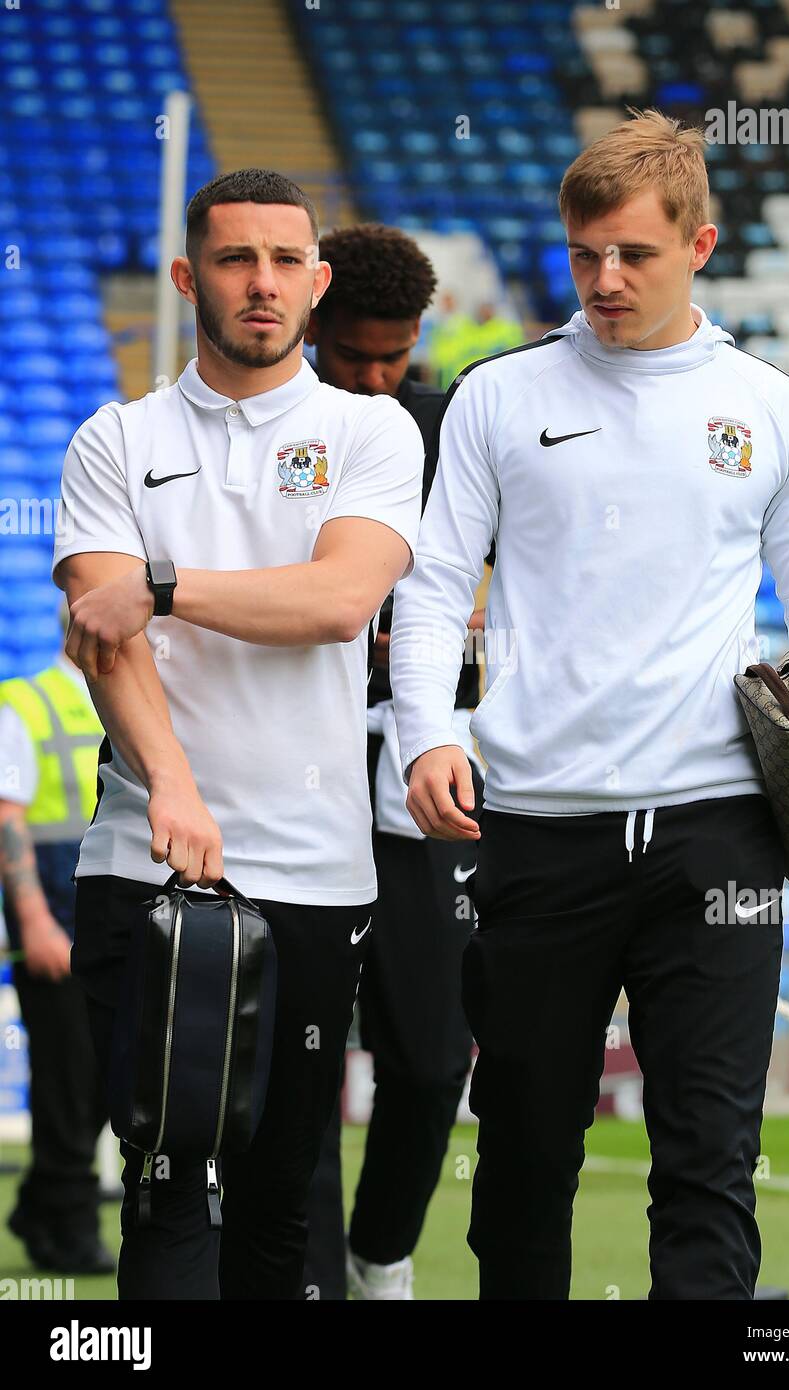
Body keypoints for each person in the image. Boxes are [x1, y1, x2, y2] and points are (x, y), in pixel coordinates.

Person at [389, 108, 789, 1301]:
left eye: (633, 253)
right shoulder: (495, 395)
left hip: (714, 829)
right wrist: (427, 732)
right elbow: (427, 592)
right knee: (524, 1161)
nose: (605, 278)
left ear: (702, 244)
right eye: (584, 254)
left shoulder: (772, 408)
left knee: (709, 1160)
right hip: (532, 829)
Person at [51, 168, 424, 1301]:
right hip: (148, 865)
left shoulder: (371, 431)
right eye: (232, 259)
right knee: (169, 1187)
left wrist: (162, 585)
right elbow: (103, 642)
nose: (260, 284)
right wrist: (170, 785)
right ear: (187, 276)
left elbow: (334, 602)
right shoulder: (115, 439)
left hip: (316, 874)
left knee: (280, 1194)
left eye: (281, 261)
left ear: (315, 281)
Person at [302, 223, 488, 1300]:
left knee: (429, 1058)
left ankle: (380, 1249)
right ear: (314, 326)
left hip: (423, 773)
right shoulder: (281, 428)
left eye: (394, 356)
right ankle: (313, 1274)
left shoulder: (446, 424)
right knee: (301, 1060)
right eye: (353, 356)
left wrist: (444, 623)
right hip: (299, 774)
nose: (374, 380)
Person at [0, 612, 113, 1275]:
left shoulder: (140, 701)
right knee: (70, 1082)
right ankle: (66, 1224)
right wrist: (35, 921)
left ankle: (44, 1202)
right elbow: (6, 816)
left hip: (114, 915)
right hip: (56, 919)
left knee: (105, 1076)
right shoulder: (27, 701)